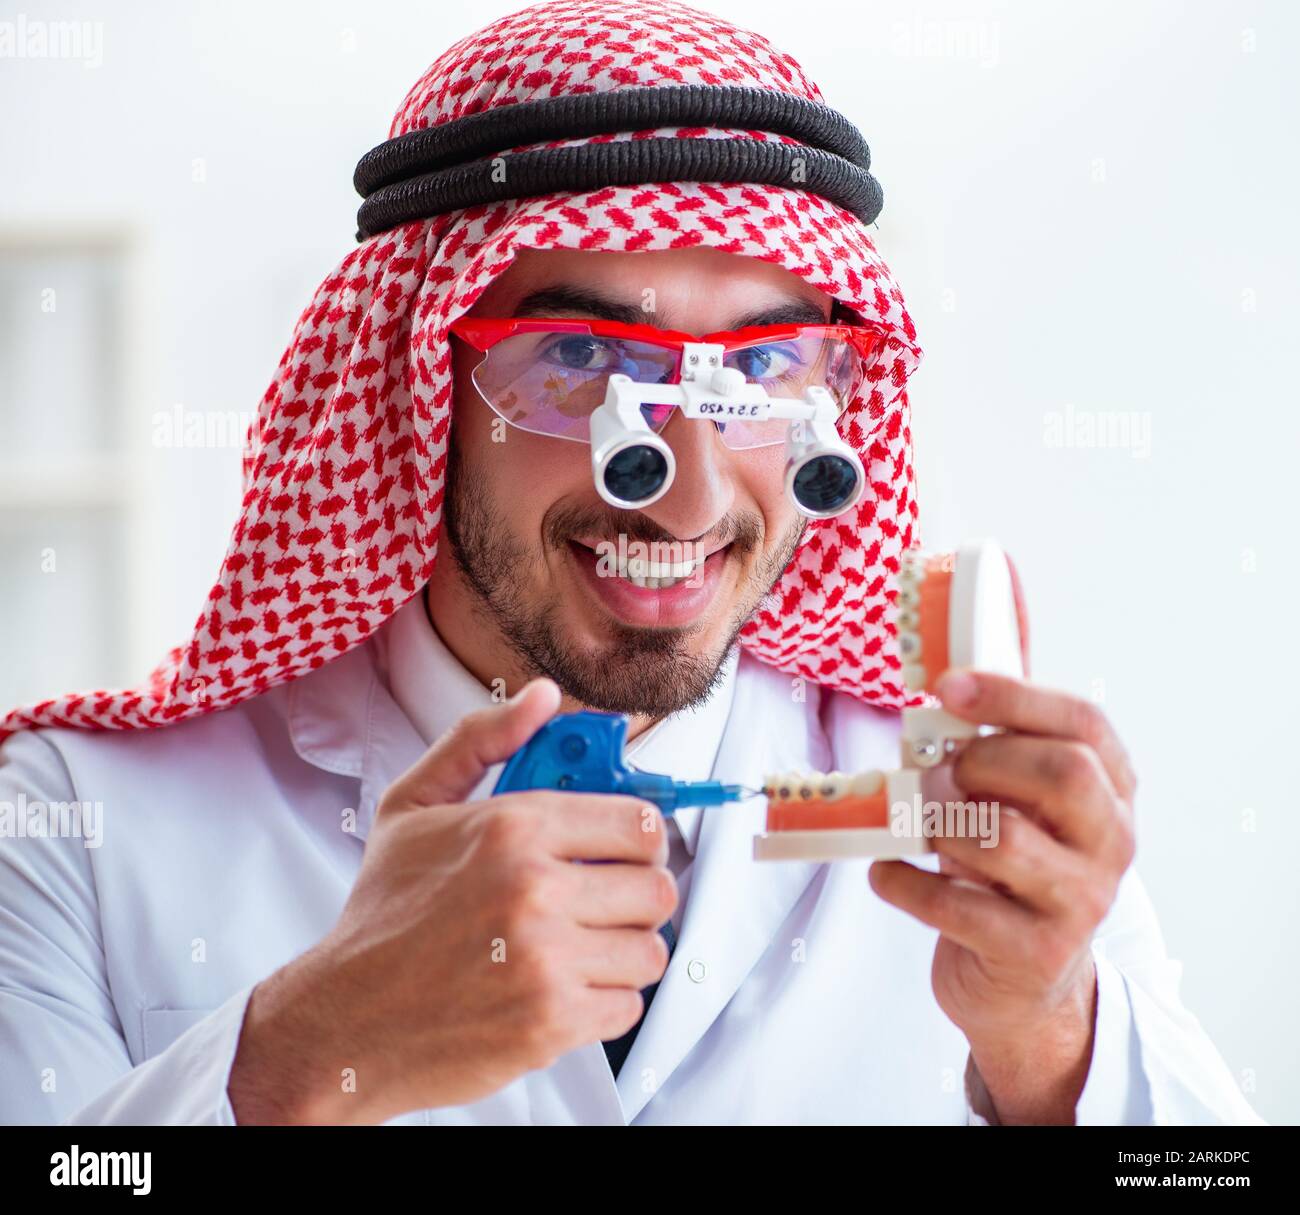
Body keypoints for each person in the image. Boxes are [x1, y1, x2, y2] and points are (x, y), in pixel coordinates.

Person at [0, 0, 1261, 1126]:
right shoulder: (78, 827)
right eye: (579, 362)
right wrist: (297, 1065)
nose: (692, 496)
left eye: (764, 372)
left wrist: (1050, 1046)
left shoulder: (983, 822)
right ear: (415, 390)